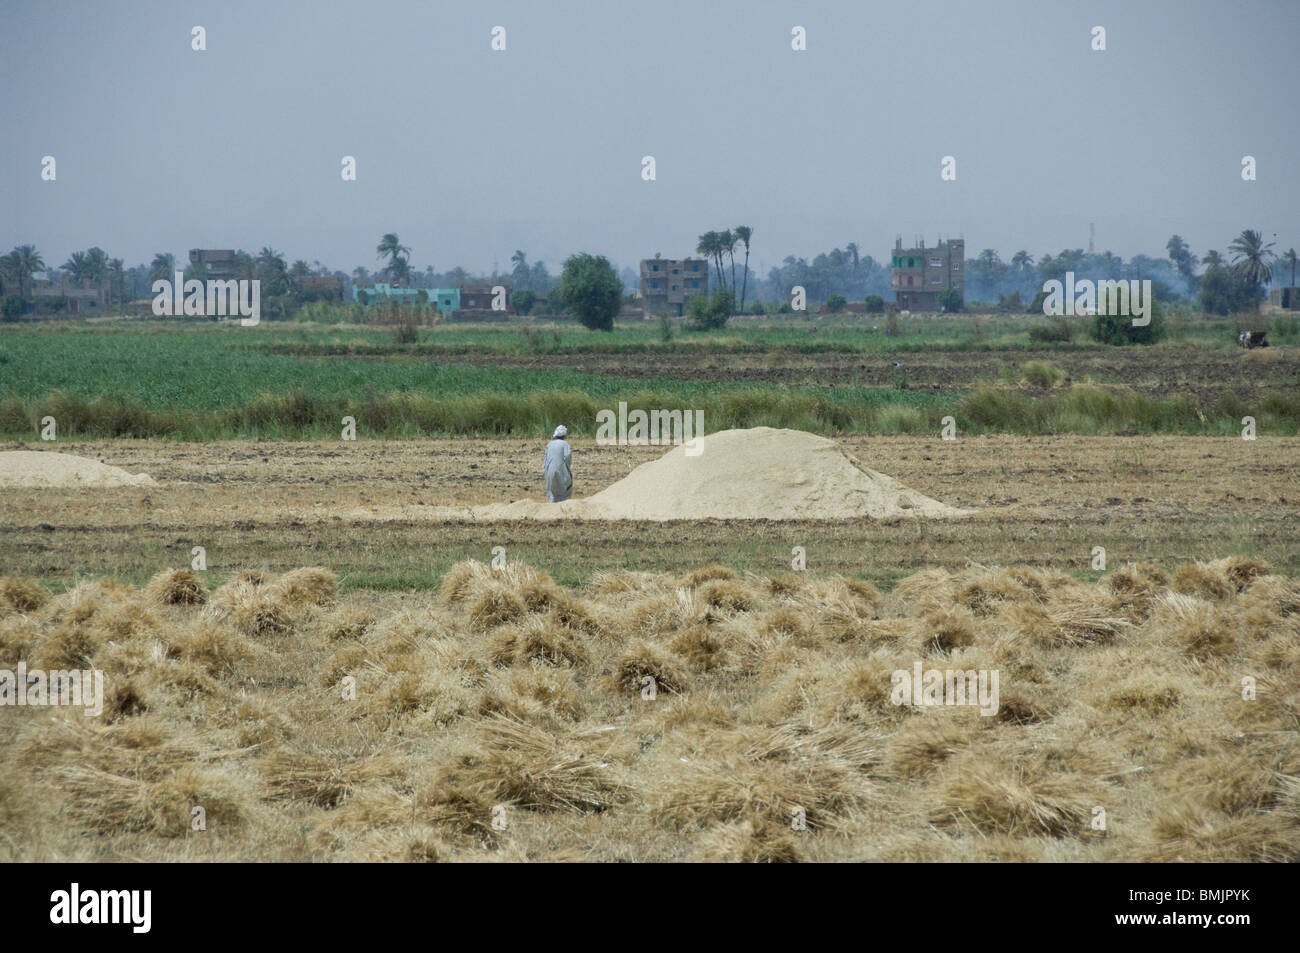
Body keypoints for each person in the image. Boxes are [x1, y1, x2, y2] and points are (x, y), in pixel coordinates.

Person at [543, 425, 572, 502]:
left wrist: (546, 471)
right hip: (561, 469)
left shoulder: (549, 444)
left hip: (549, 470)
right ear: (564, 435)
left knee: (551, 490)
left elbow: (545, 459)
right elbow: (568, 457)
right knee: (564, 489)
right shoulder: (565, 444)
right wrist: (567, 468)